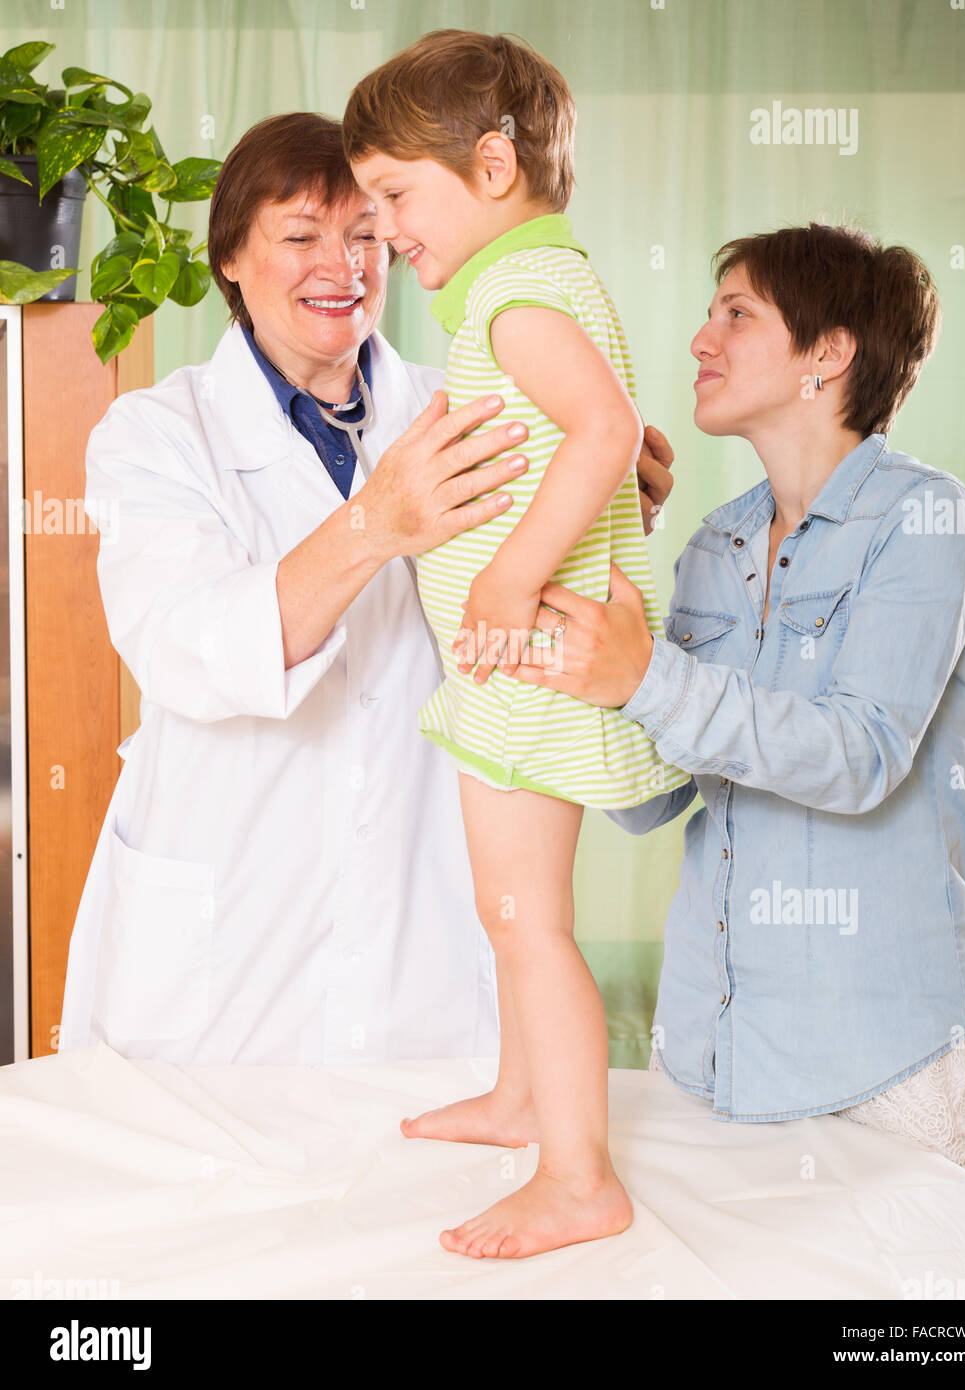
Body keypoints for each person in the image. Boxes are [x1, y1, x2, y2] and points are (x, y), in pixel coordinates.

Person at [57, 111, 676, 1069]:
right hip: (226, 949)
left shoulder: (469, 406)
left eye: (364, 237)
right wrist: (374, 523)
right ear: (230, 258)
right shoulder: (155, 432)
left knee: (420, 1188)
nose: (340, 268)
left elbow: (524, 617)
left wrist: (608, 507)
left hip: (416, 951)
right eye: (300, 237)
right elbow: (187, 650)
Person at [510, 222, 965, 1202]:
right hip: (710, 1059)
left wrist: (649, 674)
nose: (701, 339)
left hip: (890, 1061)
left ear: (828, 353)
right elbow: (645, 802)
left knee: (915, 1353)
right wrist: (591, 547)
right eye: (708, 313)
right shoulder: (711, 547)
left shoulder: (927, 520)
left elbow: (859, 754)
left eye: (735, 313)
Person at [346, 29, 690, 1262]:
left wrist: (506, 570)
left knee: (524, 914)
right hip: (519, 672)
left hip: (534, 667)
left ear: (492, 166)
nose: (383, 230)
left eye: (393, 196)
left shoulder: (520, 292)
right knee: (512, 907)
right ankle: (516, 1096)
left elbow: (603, 429)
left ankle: (579, 1176)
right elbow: (599, 442)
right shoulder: (528, 283)